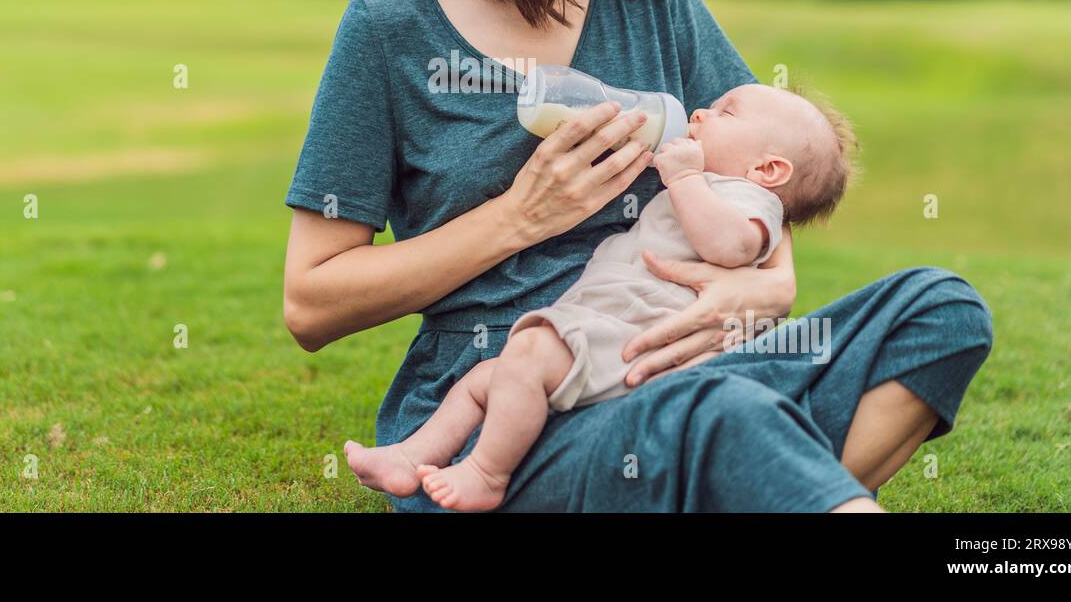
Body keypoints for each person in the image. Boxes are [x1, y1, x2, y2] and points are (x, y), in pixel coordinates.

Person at [282, 0, 993, 512]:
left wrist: (766, 286)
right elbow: (311, 300)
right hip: (517, 404)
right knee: (713, 414)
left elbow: (764, 169)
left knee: (941, 311)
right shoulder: (388, 32)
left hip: (684, 357)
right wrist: (519, 217)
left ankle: (728, 475)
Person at [345, 82, 858, 511]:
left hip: (640, 335)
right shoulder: (716, 185)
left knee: (527, 353)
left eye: (724, 112)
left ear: (769, 171)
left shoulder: (751, 202)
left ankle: (486, 472)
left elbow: (731, 245)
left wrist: (682, 176)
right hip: (607, 326)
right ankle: (412, 454)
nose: (701, 110)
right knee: (487, 378)